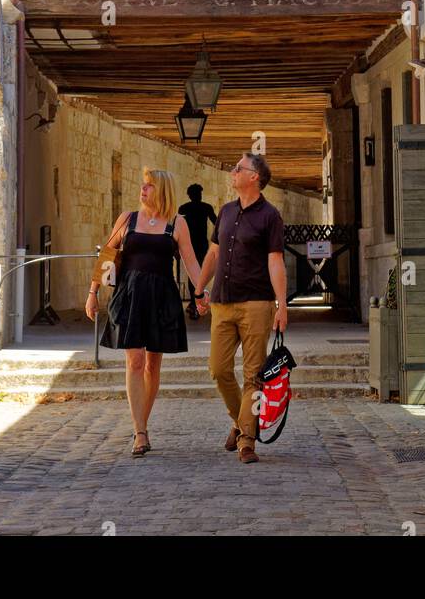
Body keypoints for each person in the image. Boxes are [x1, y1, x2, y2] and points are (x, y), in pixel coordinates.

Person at [85, 168, 204, 456]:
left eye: (149, 186)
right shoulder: (128, 219)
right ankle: (140, 431)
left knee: (152, 365)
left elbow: (191, 261)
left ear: (162, 190)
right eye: (143, 184)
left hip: (162, 296)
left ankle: (142, 422)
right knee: (135, 361)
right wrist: (93, 292)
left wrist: (201, 293)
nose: (143, 189)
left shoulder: (177, 224)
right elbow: (107, 255)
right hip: (130, 294)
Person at [193, 151, 287, 464]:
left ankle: (247, 441)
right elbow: (213, 254)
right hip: (221, 301)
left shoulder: (270, 216)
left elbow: (275, 261)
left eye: (238, 168)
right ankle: (239, 421)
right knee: (218, 370)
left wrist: (281, 305)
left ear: (254, 177)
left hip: (257, 304)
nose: (232, 172)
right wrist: (199, 288)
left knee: (253, 375)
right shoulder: (226, 211)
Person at [178, 184, 217, 319]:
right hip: (193, 244)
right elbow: (217, 223)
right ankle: (196, 301)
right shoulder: (192, 208)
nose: (198, 196)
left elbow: (216, 224)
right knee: (196, 273)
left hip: (198, 245)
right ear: (191, 195)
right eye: (196, 194)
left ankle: (196, 300)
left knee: (196, 274)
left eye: (199, 193)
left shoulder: (187, 208)